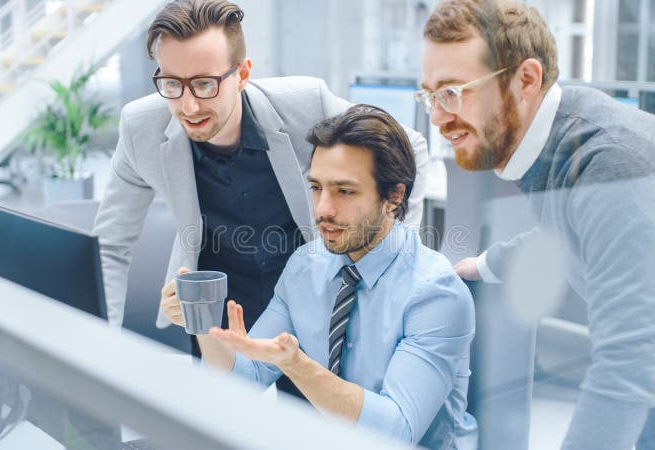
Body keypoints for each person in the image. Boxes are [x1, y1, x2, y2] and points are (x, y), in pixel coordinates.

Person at [418, 1, 655, 449]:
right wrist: (487, 264)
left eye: (454, 91)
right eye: (429, 95)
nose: (437, 117)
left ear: (526, 80)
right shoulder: (560, 132)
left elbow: (624, 370)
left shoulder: (611, 164)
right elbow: (572, 230)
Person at [93, 0, 429, 398]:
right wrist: (98, 354)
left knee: (313, 428)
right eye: (172, 84)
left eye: (205, 84)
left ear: (243, 74)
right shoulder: (140, 127)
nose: (188, 105)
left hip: (309, 307)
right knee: (216, 431)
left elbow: (413, 148)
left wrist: (386, 269)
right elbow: (109, 246)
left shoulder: (307, 104)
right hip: (215, 314)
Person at [162, 105, 478, 449]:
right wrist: (201, 322)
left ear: (394, 196)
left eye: (345, 191)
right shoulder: (305, 267)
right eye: (316, 187)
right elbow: (245, 378)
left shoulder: (436, 294)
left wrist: (294, 364)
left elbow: (394, 431)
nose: (323, 209)